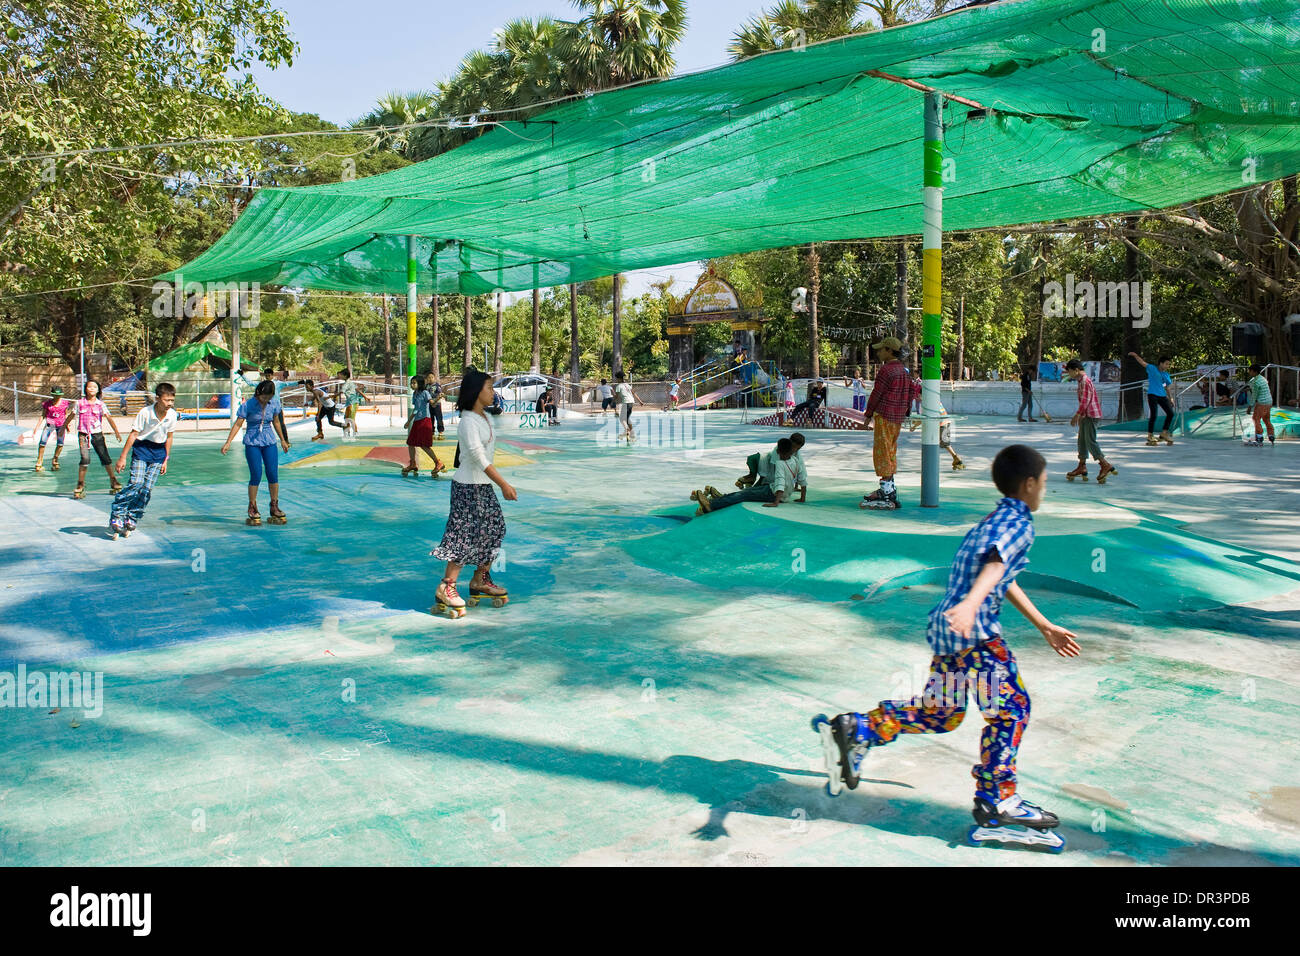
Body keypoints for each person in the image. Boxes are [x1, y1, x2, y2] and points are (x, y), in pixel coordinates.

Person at [819, 444, 1080, 851]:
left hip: (950, 631)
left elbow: (1003, 576)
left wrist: (1044, 625)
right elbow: (995, 563)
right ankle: (998, 801)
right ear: (1028, 484)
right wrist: (973, 603)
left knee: (940, 714)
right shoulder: (1017, 522)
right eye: (1044, 484)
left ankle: (861, 728)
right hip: (974, 634)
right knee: (1011, 710)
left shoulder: (993, 519)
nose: (1045, 491)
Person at [431, 369, 516, 618]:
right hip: (468, 487)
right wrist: (504, 484)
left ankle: (480, 579)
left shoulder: (483, 417)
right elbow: (478, 458)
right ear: (476, 391)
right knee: (464, 535)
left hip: (481, 486)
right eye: (489, 388)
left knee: (495, 528)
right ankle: (447, 586)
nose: (493, 392)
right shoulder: (468, 420)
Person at [109, 382, 178, 538]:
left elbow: (169, 437)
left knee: (146, 489)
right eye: (167, 400)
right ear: (157, 398)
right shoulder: (145, 413)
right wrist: (122, 457)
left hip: (159, 453)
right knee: (136, 483)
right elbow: (134, 434)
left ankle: (132, 516)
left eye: (172, 400)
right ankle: (118, 513)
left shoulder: (172, 415)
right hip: (142, 450)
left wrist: (166, 459)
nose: (170, 404)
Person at [221, 380, 291, 525]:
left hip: (269, 440)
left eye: (269, 397)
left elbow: (276, 422)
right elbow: (238, 424)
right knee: (256, 474)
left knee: (273, 473)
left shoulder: (274, 404)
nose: (266, 400)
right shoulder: (248, 405)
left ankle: (274, 505)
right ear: (258, 393)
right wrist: (228, 442)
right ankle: (252, 506)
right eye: (264, 397)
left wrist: (283, 440)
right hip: (252, 441)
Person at [861, 337, 913, 510]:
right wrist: (906, 412)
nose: (878, 352)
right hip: (897, 417)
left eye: (881, 349)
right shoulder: (904, 371)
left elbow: (877, 393)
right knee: (890, 451)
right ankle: (888, 488)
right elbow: (910, 393)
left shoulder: (886, 370)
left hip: (884, 415)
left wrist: (868, 414)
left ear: (890, 351)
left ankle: (886, 491)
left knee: (882, 452)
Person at [692, 437, 806, 515]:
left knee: (743, 495)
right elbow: (802, 478)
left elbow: (780, 483)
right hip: (774, 489)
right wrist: (802, 498)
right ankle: (719, 498)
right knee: (747, 492)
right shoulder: (795, 460)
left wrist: (776, 502)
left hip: (773, 493)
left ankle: (711, 505)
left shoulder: (780, 464)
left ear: (779, 451)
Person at [69, 380, 123, 499]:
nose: (92, 388)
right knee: (85, 459)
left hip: (97, 434)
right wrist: (64, 427)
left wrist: (116, 431)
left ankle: (113, 480)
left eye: (94, 387)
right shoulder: (79, 403)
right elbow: (72, 415)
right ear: (85, 389)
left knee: (105, 458)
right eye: (89, 387)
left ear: (98, 390)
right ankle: (80, 483)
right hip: (83, 435)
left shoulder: (100, 404)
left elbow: (109, 417)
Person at [1064, 359, 1117, 482]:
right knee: (1082, 440)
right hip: (1086, 415)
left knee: (1090, 441)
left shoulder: (1085, 381)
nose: (1069, 374)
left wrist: (1077, 415)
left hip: (1091, 415)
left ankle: (1105, 464)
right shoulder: (1081, 381)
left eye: (1070, 371)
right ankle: (1081, 466)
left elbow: (1085, 401)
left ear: (1076, 370)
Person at [402, 375, 446, 478]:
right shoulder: (415, 394)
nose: (411, 385)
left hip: (425, 421)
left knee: (424, 445)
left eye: (414, 383)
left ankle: (438, 462)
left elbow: (432, 403)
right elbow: (416, 409)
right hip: (417, 421)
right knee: (411, 443)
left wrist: (437, 398)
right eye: (411, 383)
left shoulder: (425, 393)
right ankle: (413, 463)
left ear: (420, 383)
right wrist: (409, 421)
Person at [1129, 352, 1175, 445]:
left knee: (1170, 413)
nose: (1167, 366)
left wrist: (1171, 398)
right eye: (1166, 364)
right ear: (1161, 363)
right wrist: (1135, 355)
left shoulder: (1166, 375)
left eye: (1168, 364)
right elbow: (1142, 362)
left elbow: (1167, 387)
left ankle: (1164, 433)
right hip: (1152, 394)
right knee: (1154, 415)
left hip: (1162, 395)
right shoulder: (1152, 368)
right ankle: (1150, 435)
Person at [736, 433, 806, 488]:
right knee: (756, 480)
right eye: (793, 447)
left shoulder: (797, 453)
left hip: (764, 465)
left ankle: (745, 482)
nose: (794, 450)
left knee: (759, 483)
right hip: (757, 460)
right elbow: (774, 469)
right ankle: (743, 481)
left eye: (798, 448)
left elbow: (801, 470)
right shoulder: (779, 449)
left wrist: (796, 485)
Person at [34, 386, 71, 472]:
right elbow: (43, 415)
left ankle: (55, 459)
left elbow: (65, 415)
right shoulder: (47, 404)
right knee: (42, 442)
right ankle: (39, 461)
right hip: (49, 425)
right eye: (55, 395)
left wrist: (67, 426)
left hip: (61, 425)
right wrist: (37, 427)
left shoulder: (65, 403)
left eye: (59, 395)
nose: (57, 397)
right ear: (52, 395)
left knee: (60, 443)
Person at [1246, 364, 1275, 446]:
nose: (1249, 373)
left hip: (1262, 403)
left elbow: (1254, 395)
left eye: (1250, 371)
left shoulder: (1256, 382)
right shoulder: (1262, 378)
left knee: (1256, 419)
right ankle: (1271, 435)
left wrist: (1249, 407)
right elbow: (1257, 389)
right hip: (1269, 402)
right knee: (1266, 419)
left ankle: (1259, 437)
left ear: (1254, 371)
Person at [614, 371, 641, 443]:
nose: (616, 380)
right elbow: (633, 393)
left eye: (617, 379)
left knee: (622, 419)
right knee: (627, 418)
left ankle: (627, 430)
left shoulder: (618, 386)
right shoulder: (627, 385)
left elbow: (616, 397)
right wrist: (640, 401)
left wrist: (614, 404)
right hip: (631, 402)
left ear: (619, 378)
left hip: (626, 403)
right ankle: (632, 434)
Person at [339, 369, 366, 439]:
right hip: (349, 403)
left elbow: (341, 392)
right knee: (346, 418)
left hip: (353, 403)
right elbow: (357, 390)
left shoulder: (347, 383)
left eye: (341, 374)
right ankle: (348, 432)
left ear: (345, 376)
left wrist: (331, 396)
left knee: (351, 419)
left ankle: (355, 432)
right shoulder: (349, 383)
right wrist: (365, 397)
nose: (339, 376)